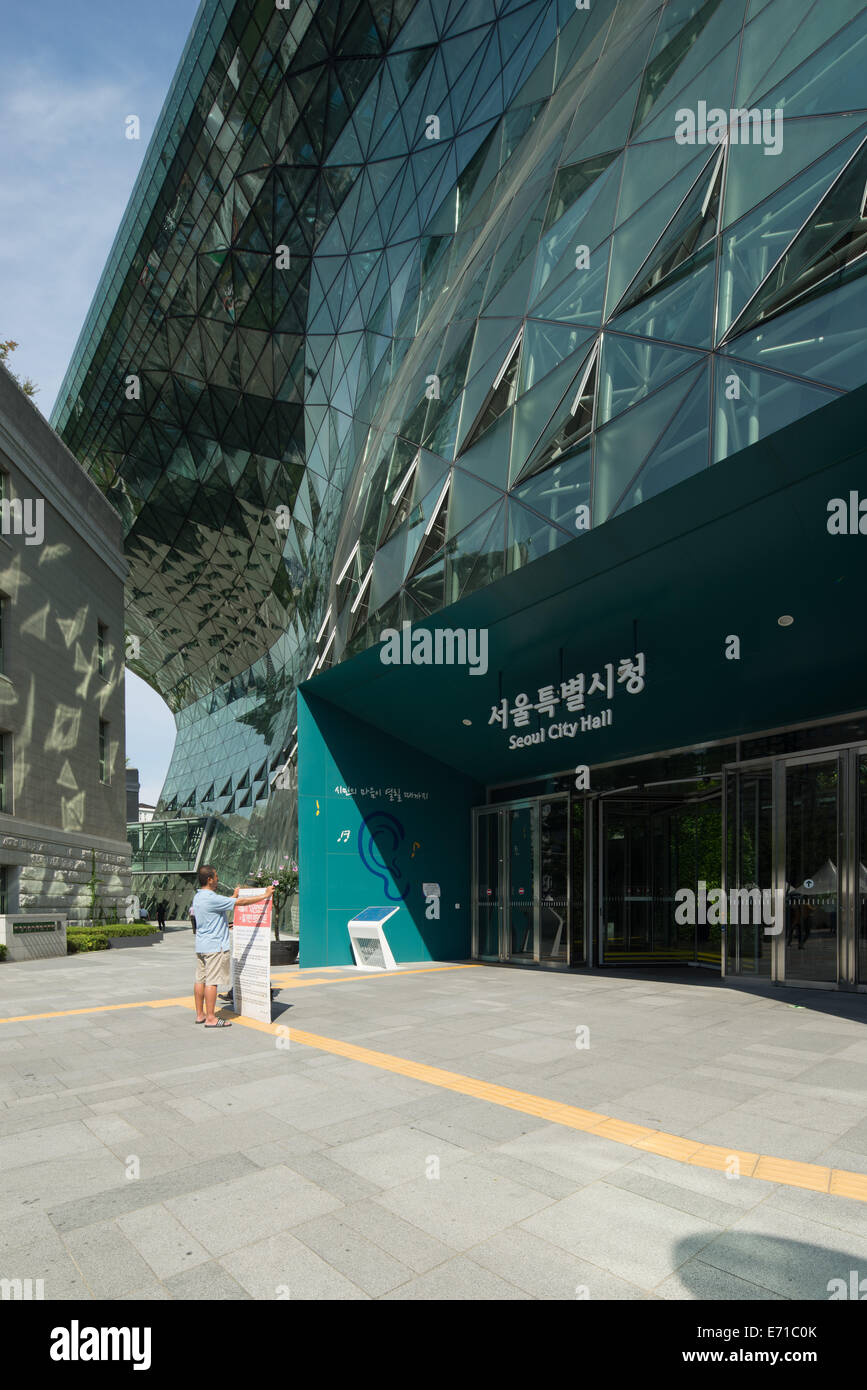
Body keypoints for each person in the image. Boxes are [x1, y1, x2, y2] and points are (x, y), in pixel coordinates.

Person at [190, 865, 274, 1028]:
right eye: (216, 876)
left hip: (201, 946)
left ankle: (200, 1015)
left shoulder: (198, 897)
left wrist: (233, 895)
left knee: (200, 980)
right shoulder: (212, 897)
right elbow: (240, 902)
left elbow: (222, 904)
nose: (218, 879)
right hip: (215, 947)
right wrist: (265, 895)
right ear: (209, 879)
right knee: (212, 983)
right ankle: (211, 1018)